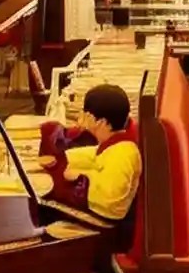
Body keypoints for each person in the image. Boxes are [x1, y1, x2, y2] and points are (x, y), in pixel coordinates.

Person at [42, 84, 142, 224]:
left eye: (87, 114)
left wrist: (81, 177)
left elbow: (110, 199)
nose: (83, 116)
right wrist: (64, 160)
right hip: (96, 208)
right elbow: (92, 157)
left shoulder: (124, 153)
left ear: (101, 122)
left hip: (103, 220)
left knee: (45, 207)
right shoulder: (114, 142)